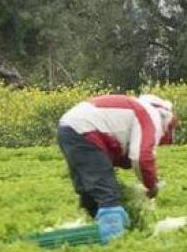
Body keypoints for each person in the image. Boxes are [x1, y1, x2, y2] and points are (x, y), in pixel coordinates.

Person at [56, 93, 176, 242]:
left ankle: (95, 233)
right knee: (108, 194)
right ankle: (114, 241)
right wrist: (152, 186)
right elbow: (142, 157)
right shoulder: (151, 116)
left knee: (89, 191)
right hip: (86, 130)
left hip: (67, 128)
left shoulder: (135, 109)